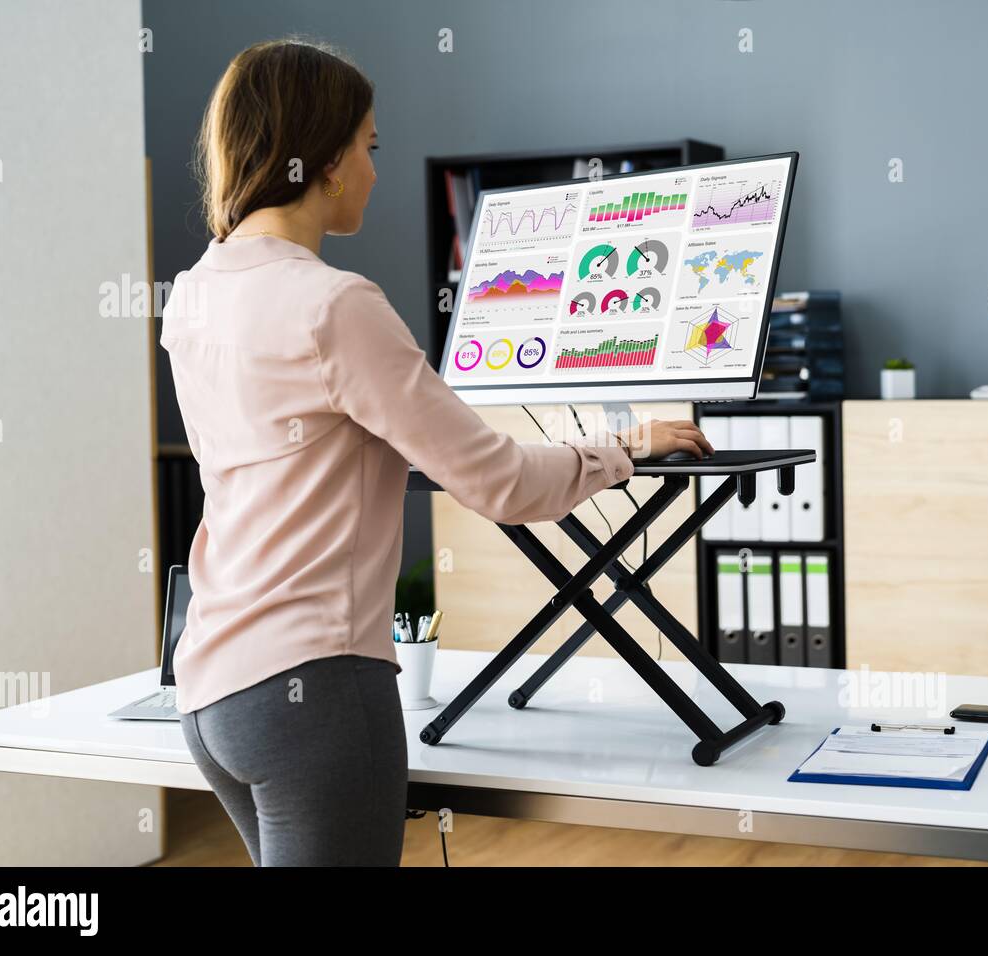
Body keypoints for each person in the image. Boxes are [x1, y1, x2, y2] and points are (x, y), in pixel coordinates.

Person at [160, 38, 712, 867]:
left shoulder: (195, 294)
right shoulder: (335, 305)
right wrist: (624, 446)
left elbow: (297, 455)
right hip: (316, 690)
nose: (377, 172)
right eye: (369, 146)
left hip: (214, 692)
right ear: (328, 160)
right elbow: (499, 483)